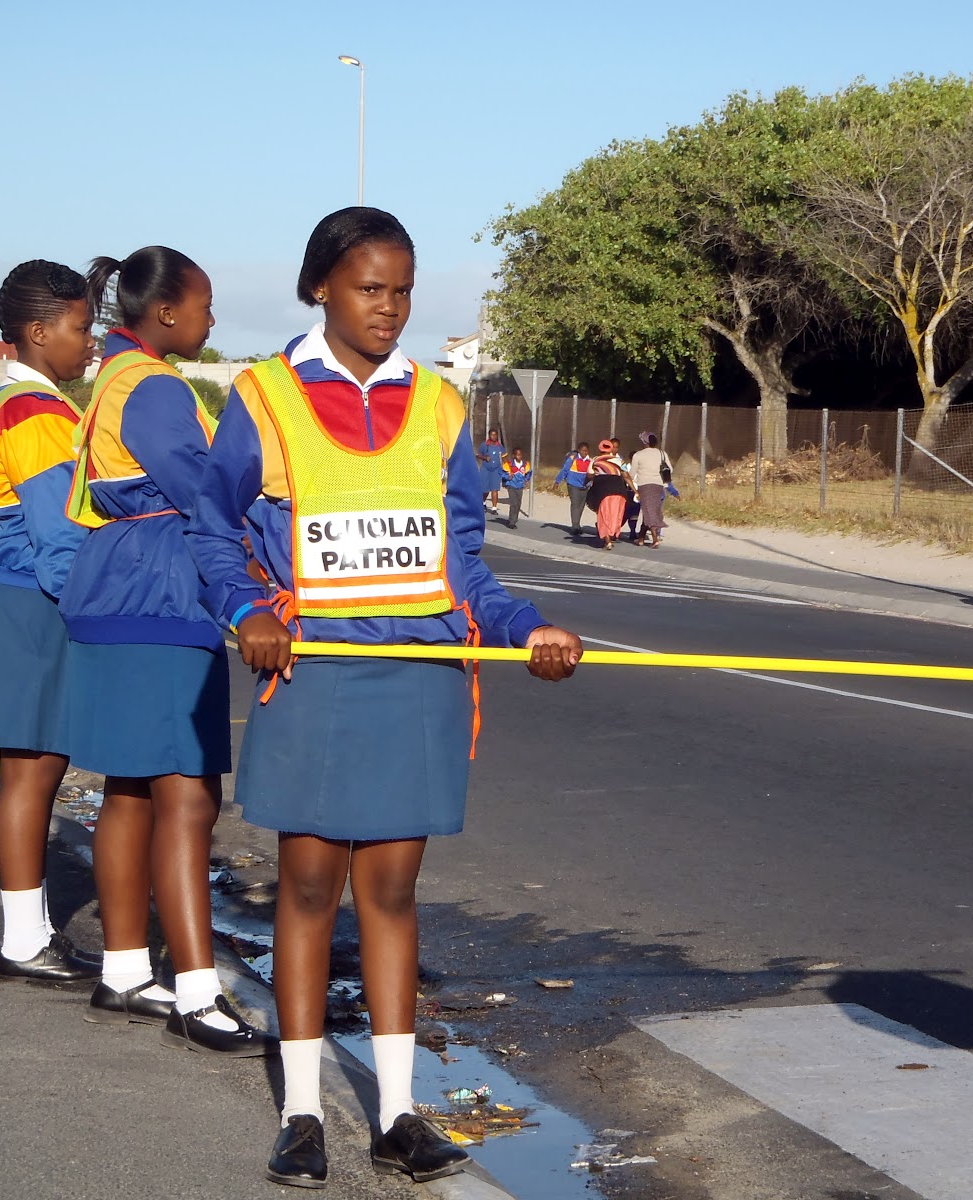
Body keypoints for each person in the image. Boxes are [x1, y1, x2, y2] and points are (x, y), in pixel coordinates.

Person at [186, 207, 583, 1188]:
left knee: (391, 895)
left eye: (402, 290)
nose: (389, 309)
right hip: (313, 673)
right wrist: (245, 608)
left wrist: (523, 626)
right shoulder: (265, 397)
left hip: (417, 677)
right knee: (310, 889)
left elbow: (466, 565)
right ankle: (302, 1114)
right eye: (370, 288)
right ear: (321, 285)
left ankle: (399, 1112)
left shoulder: (441, 407)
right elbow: (210, 527)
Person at [59, 247, 266, 1051]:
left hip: (117, 591)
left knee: (132, 790)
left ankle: (123, 970)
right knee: (188, 794)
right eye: (207, 306)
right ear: (168, 313)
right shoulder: (153, 387)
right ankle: (197, 992)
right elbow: (205, 490)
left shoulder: (112, 376)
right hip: (160, 593)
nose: (214, 321)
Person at [0, 259, 101, 985]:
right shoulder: (37, 413)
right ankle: (21, 941)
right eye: (79, 328)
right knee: (33, 775)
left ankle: (29, 933)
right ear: (38, 332)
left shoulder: (11, 400)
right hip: (34, 602)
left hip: (14, 599)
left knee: (34, 772)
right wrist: (93, 613)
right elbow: (57, 535)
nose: (89, 342)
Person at [586, 439, 632, 550]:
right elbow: (626, 476)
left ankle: (607, 541)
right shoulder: (620, 461)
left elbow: (589, 475)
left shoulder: (595, 460)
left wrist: (597, 474)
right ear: (611, 448)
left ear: (600, 448)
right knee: (615, 516)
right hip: (619, 492)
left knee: (603, 516)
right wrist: (635, 491)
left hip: (603, 492)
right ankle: (610, 537)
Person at [629, 431, 671, 547]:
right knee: (651, 511)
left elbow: (632, 474)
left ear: (644, 442)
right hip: (658, 486)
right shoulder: (662, 453)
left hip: (645, 486)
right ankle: (641, 538)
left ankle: (655, 539)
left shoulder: (638, 455)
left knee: (649, 512)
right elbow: (669, 469)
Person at [553, 441, 593, 534]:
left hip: (585, 486)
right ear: (579, 451)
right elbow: (564, 470)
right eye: (583, 451)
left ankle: (577, 524)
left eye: (586, 451)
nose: (584, 453)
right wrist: (557, 481)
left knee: (581, 506)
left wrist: (591, 483)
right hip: (573, 485)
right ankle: (575, 526)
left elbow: (593, 473)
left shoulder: (590, 461)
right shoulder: (572, 459)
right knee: (575, 504)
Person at [609, 435, 641, 542]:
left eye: (616, 447)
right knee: (622, 513)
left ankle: (632, 531)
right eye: (612, 447)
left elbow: (628, 477)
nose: (614, 449)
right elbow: (626, 477)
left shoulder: (620, 460)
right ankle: (610, 530)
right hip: (622, 490)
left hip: (635, 492)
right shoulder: (625, 466)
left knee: (634, 513)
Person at [501, 445, 531, 528]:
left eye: (520, 454)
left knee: (518, 503)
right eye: (517, 455)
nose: (519, 456)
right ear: (514, 455)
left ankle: (515, 518)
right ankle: (511, 522)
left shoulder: (525, 464)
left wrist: (527, 479)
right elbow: (502, 473)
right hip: (511, 485)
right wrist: (507, 477)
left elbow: (529, 473)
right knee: (513, 503)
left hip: (520, 486)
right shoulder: (509, 464)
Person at [476, 427, 505, 512]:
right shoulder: (485, 445)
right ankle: (483, 502)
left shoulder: (500, 446)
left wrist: (508, 469)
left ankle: (494, 508)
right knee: (485, 489)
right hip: (486, 469)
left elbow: (504, 456)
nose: (493, 436)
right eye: (492, 435)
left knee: (494, 489)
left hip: (496, 470)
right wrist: (485, 457)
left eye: (495, 435)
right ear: (489, 436)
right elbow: (478, 454)